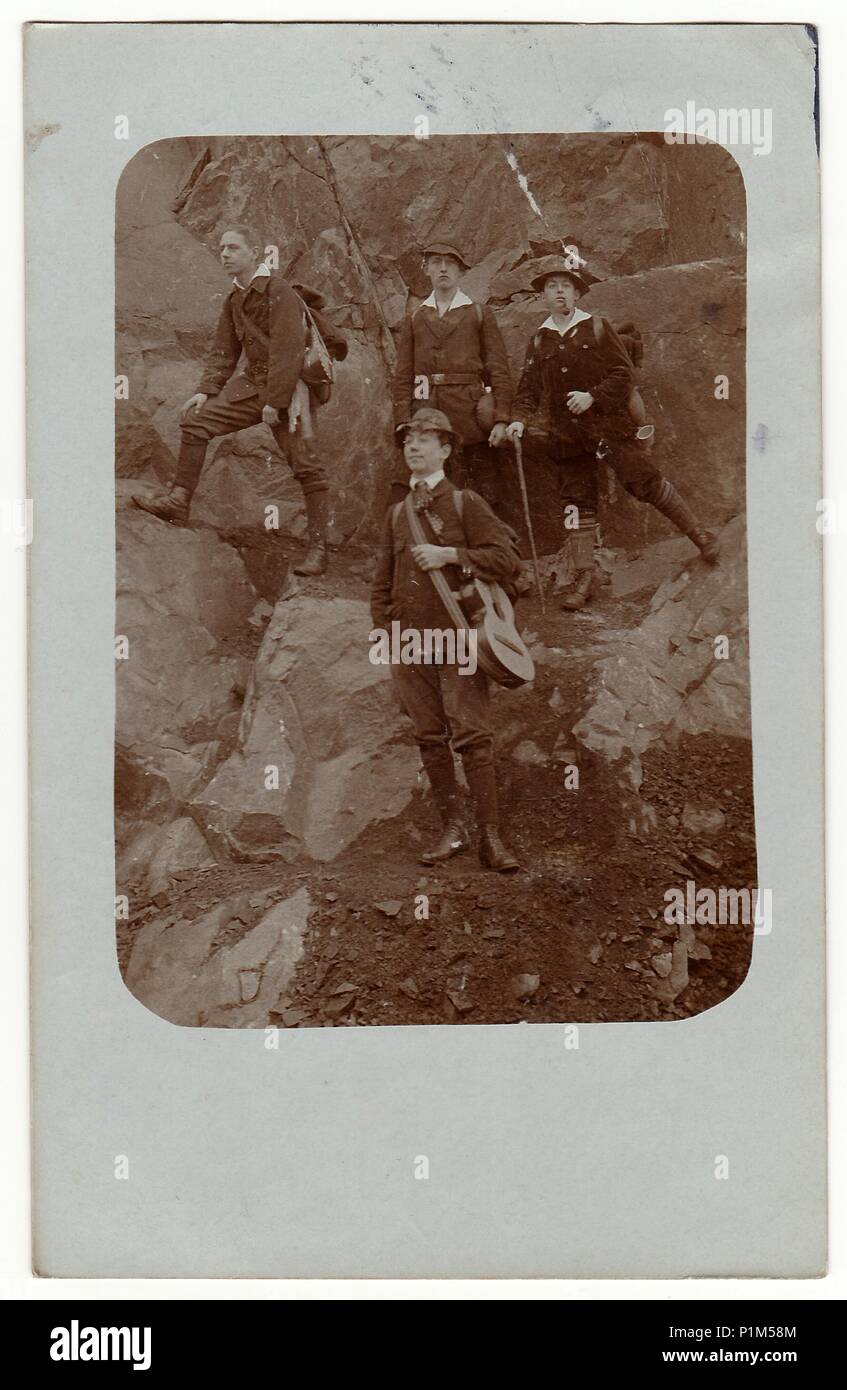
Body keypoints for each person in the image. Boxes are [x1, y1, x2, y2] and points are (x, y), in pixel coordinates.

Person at [132, 225, 347, 577]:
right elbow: (223, 351)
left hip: (292, 390)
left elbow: (288, 351)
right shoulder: (234, 298)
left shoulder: (278, 291)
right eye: (222, 249)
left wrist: (275, 403)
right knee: (196, 420)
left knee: (306, 466)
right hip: (255, 386)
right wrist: (206, 390)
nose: (225, 254)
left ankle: (318, 549)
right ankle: (178, 501)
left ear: (255, 252)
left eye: (233, 248)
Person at [507, 256, 720, 610]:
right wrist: (518, 418)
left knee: (644, 480)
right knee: (576, 503)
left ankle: (699, 535)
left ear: (577, 293)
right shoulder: (539, 340)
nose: (559, 293)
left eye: (565, 287)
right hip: (567, 437)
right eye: (551, 287)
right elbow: (528, 388)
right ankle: (584, 578)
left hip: (608, 428)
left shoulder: (598, 328)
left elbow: (624, 375)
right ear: (544, 295)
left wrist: (592, 396)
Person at [371, 407, 519, 873]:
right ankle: (452, 829)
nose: (413, 446)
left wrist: (450, 554)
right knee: (429, 736)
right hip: (410, 640)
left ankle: (491, 840)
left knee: (472, 735)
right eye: (409, 439)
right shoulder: (398, 512)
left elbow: (505, 561)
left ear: (447, 449)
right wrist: (387, 630)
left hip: (459, 634)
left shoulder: (465, 503)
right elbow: (381, 580)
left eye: (425, 438)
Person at [391, 241, 513, 507]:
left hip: (469, 415)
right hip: (426, 411)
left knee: (481, 495)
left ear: (461, 272)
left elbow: (499, 368)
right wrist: (403, 418)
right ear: (427, 270)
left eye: (451, 264)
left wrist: (502, 418)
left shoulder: (478, 313)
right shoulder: (416, 317)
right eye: (436, 263)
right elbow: (403, 374)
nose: (443, 269)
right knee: (427, 493)